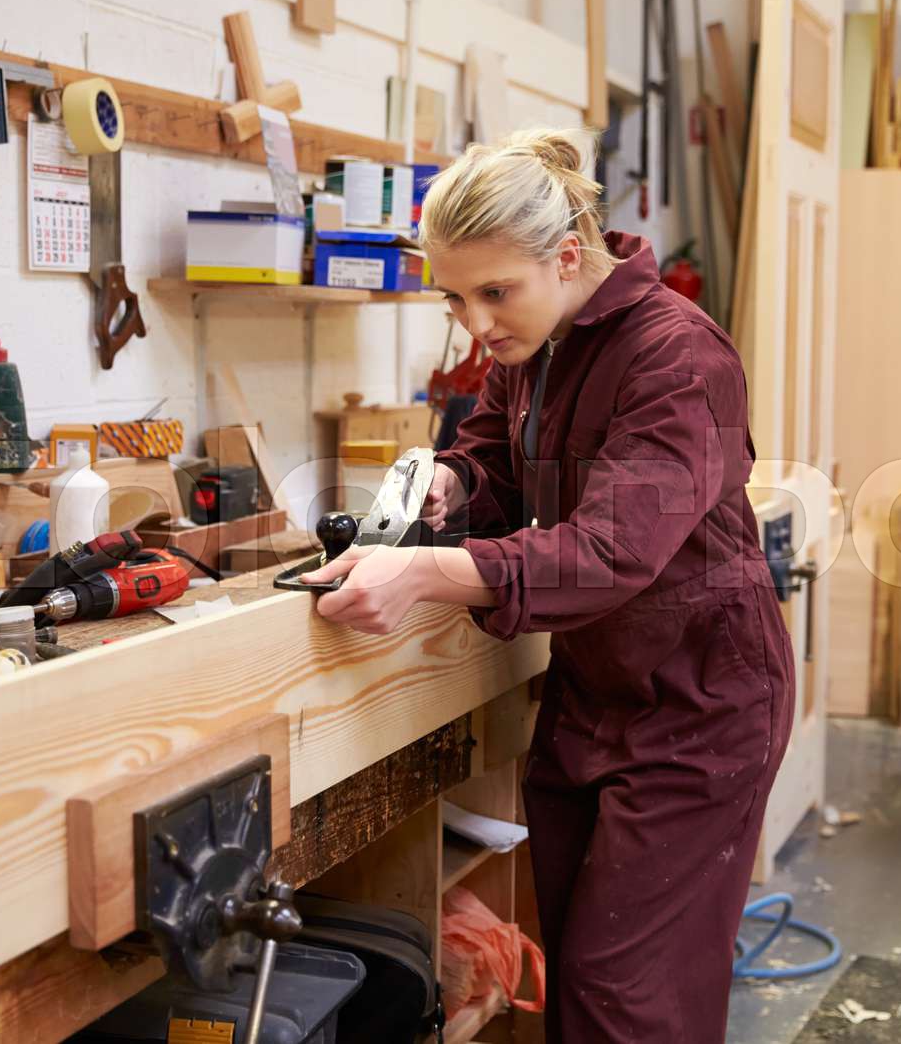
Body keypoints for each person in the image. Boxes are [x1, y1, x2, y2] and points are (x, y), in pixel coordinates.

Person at [302, 127, 794, 1043]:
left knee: (630, 999)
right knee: (579, 974)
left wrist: (428, 571)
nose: (478, 325)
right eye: (455, 298)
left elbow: (612, 548)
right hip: (595, 690)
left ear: (569, 255)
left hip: (701, 699)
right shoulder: (536, 345)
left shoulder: (678, 357)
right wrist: (453, 485)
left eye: (495, 293)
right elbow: (494, 455)